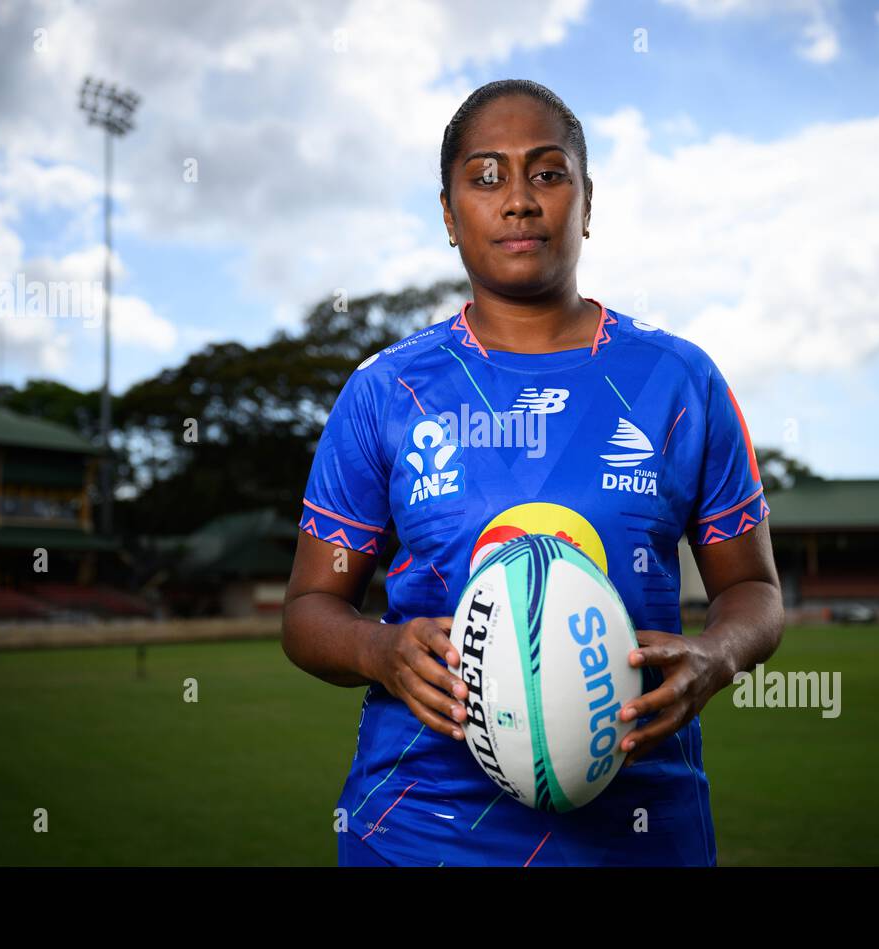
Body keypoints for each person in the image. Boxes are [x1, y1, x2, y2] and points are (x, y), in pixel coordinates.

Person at [282, 78, 783, 866]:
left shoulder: (678, 380)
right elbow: (311, 609)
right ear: (449, 216)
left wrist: (717, 658)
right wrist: (379, 652)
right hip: (419, 836)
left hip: (643, 835)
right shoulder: (386, 391)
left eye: (548, 173)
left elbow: (754, 591)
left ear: (587, 202)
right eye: (486, 177)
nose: (518, 201)